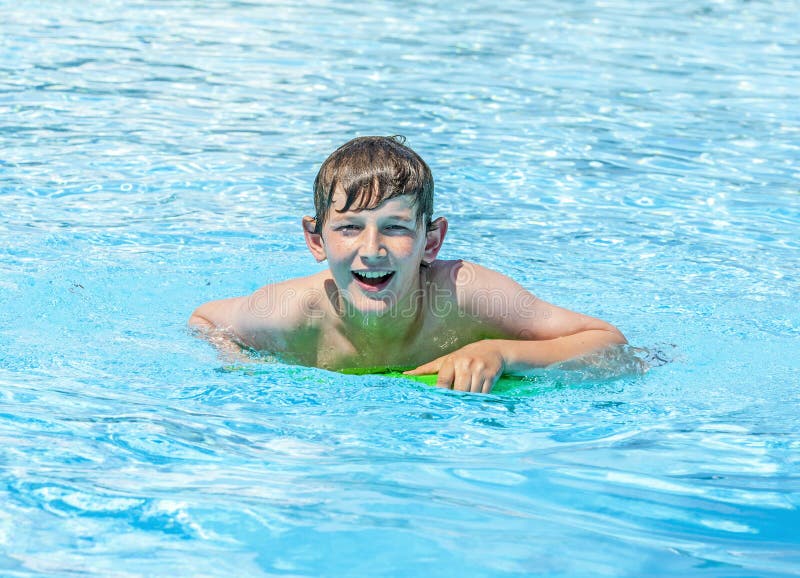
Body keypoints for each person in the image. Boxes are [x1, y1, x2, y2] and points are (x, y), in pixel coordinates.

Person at [188, 135, 627, 393]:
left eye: (395, 228)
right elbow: (205, 319)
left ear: (430, 240)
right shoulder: (291, 314)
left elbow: (611, 345)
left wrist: (501, 352)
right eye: (349, 228)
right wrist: (246, 371)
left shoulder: (465, 295)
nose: (372, 248)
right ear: (315, 238)